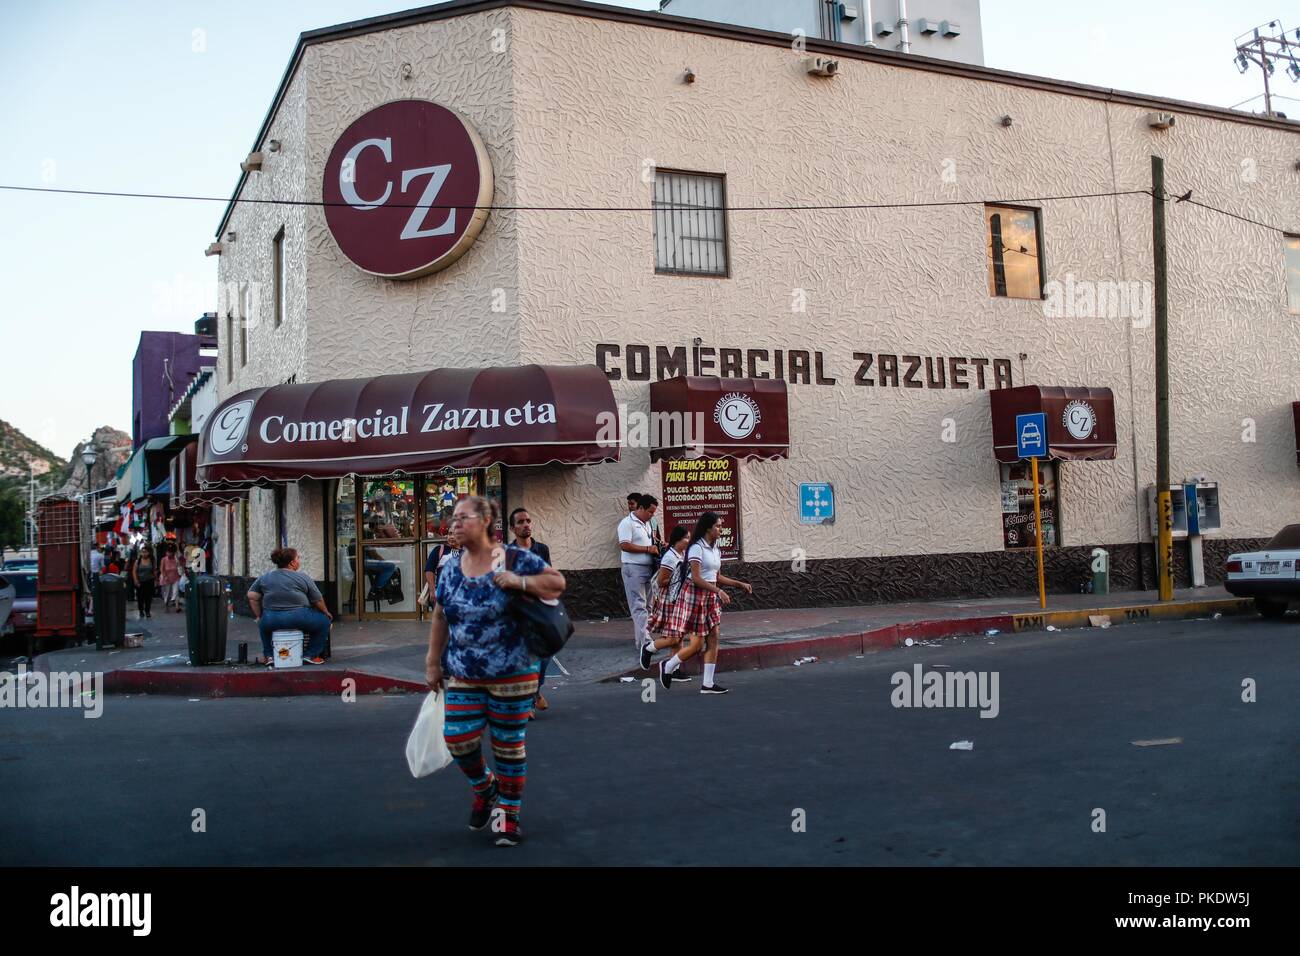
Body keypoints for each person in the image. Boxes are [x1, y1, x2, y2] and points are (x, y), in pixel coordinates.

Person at [425, 496, 566, 847]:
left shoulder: (515, 558)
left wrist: (519, 582)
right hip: (462, 671)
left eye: (463, 517)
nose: (454, 524)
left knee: (507, 747)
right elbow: (440, 614)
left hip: (513, 670)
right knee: (458, 739)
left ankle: (509, 815)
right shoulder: (451, 566)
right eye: (452, 518)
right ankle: (486, 788)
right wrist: (431, 661)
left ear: (487, 520)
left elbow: (557, 583)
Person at [658, 511, 752, 695]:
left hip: (710, 597)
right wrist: (718, 590)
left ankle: (708, 684)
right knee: (697, 645)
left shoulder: (715, 549)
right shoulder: (696, 548)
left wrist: (738, 584)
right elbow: (696, 578)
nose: (721, 529)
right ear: (708, 528)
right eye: (718, 526)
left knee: (714, 637)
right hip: (695, 596)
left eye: (721, 526)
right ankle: (668, 665)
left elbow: (716, 577)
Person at [247, 547, 333, 667]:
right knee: (324, 623)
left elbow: (252, 596)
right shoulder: (302, 577)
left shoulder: (265, 577)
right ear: (292, 562)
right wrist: (326, 612)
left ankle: (269, 656)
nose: (299, 560)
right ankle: (311, 655)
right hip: (299, 617)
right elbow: (317, 599)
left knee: (263, 626)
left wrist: (259, 616)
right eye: (298, 558)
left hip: (272, 618)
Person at [507, 507, 554, 714]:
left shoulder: (541, 549)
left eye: (528, 521)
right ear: (512, 528)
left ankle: (535, 690)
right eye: (520, 522)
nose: (526, 525)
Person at [639, 524, 691, 682]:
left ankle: (673, 670)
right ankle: (648, 649)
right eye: (686, 538)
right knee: (673, 637)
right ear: (677, 540)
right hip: (669, 600)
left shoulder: (681, 555)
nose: (688, 541)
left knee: (678, 636)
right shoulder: (670, 557)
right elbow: (662, 581)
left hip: (678, 599)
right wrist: (680, 578)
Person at [618, 493, 660, 661]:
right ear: (640, 508)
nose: (651, 515)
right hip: (633, 568)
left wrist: (656, 545)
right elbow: (624, 545)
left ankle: (644, 637)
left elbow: (650, 541)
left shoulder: (647, 524)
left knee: (649, 605)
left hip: (648, 567)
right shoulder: (627, 523)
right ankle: (644, 641)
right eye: (650, 512)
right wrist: (647, 549)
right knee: (638, 605)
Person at [133, 544, 158, 619]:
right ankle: (141, 611)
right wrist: (136, 580)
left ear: (149, 553)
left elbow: (154, 571)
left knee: (148, 597)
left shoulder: (152, 561)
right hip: (140, 581)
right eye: (142, 552)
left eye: (145, 552)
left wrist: (156, 579)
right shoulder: (138, 561)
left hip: (149, 581)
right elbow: (134, 571)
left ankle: (147, 611)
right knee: (140, 597)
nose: (144, 553)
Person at [158, 545, 181, 612]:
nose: (169, 553)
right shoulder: (164, 559)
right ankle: (166, 605)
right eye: (168, 552)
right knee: (167, 594)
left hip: (175, 577)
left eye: (170, 552)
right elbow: (161, 569)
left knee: (176, 592)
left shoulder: (176, 559)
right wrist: (165, 576)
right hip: (166, 578)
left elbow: (179, 567)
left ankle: (177, 607)